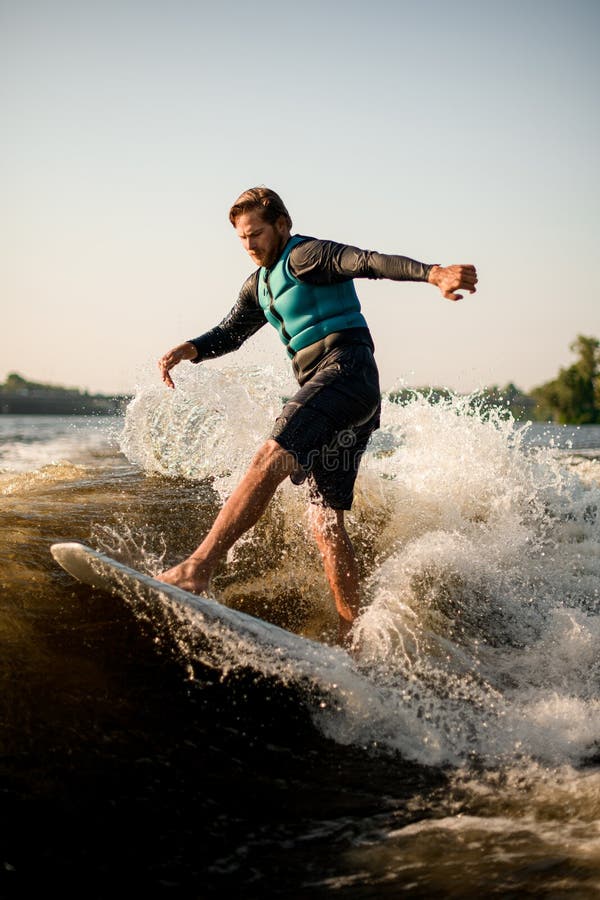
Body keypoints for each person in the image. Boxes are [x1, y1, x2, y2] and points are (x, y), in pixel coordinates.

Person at [157, 187, 477, 644]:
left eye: (257, 233)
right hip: (351, 400)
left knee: (269, 456)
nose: (250, 245)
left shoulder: (306, 256)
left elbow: (368, 261)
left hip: (346, 372)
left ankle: (196, 569)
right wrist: (190, 349)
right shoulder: (259, 285)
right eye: (242, 238)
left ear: (282, 225)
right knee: (325, 522)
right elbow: (231, 332)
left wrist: (433, 273)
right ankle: (354, 640)